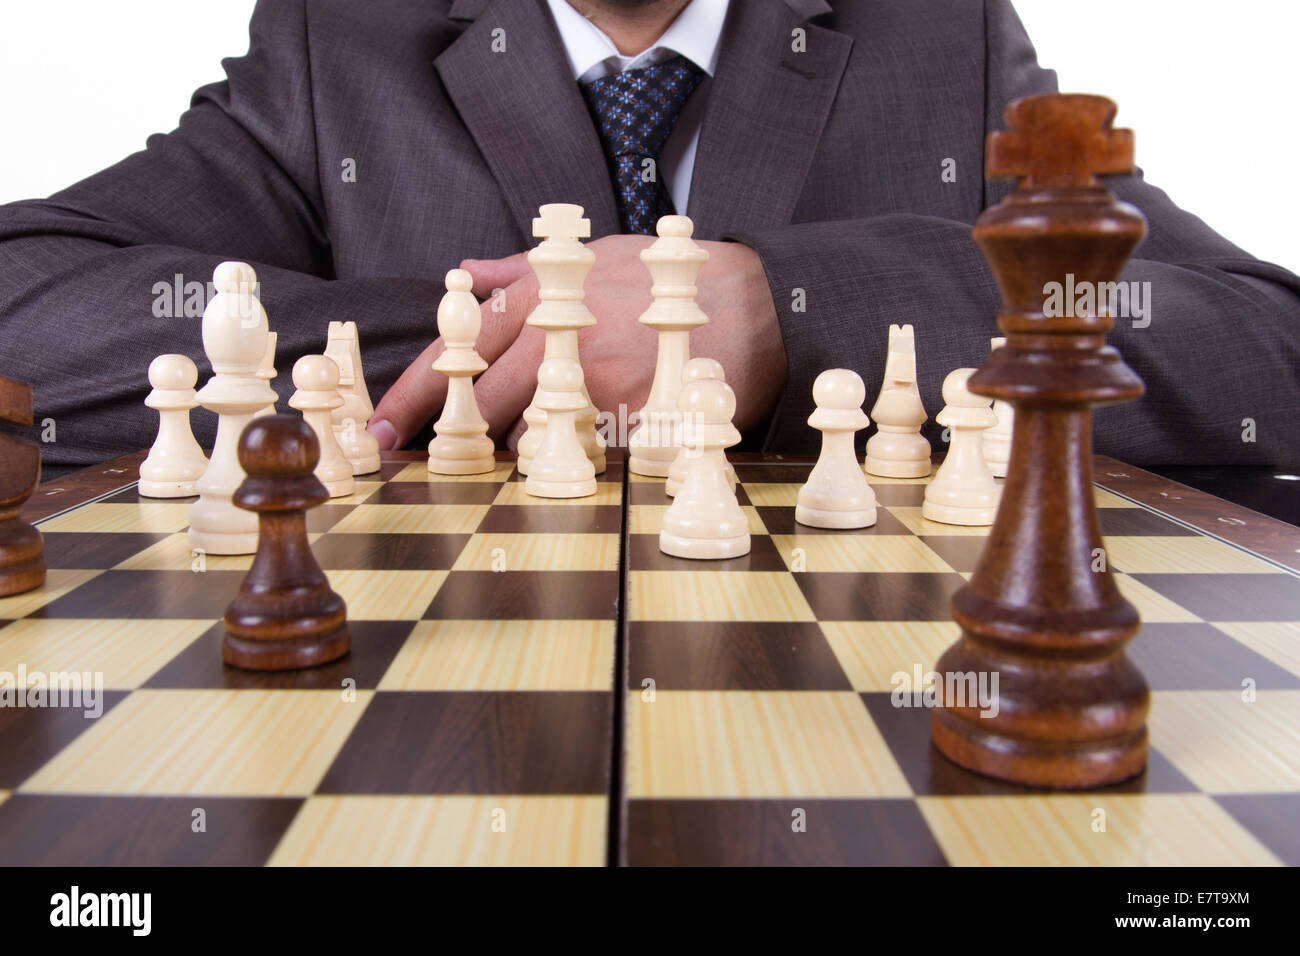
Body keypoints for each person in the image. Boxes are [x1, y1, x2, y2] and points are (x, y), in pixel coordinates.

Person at [0, 0, 1296, 476]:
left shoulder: (939, 37)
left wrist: (793, 312)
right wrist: (543, 343)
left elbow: (1263, 347)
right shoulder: (337, 44)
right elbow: (26, 303)